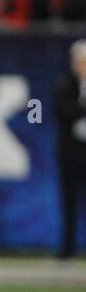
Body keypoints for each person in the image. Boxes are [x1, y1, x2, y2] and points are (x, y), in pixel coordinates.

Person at [54, 39, 86, 259]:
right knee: (69, 200)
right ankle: (68, 248)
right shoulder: (64, 83)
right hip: (71, 151)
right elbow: (64, 112)